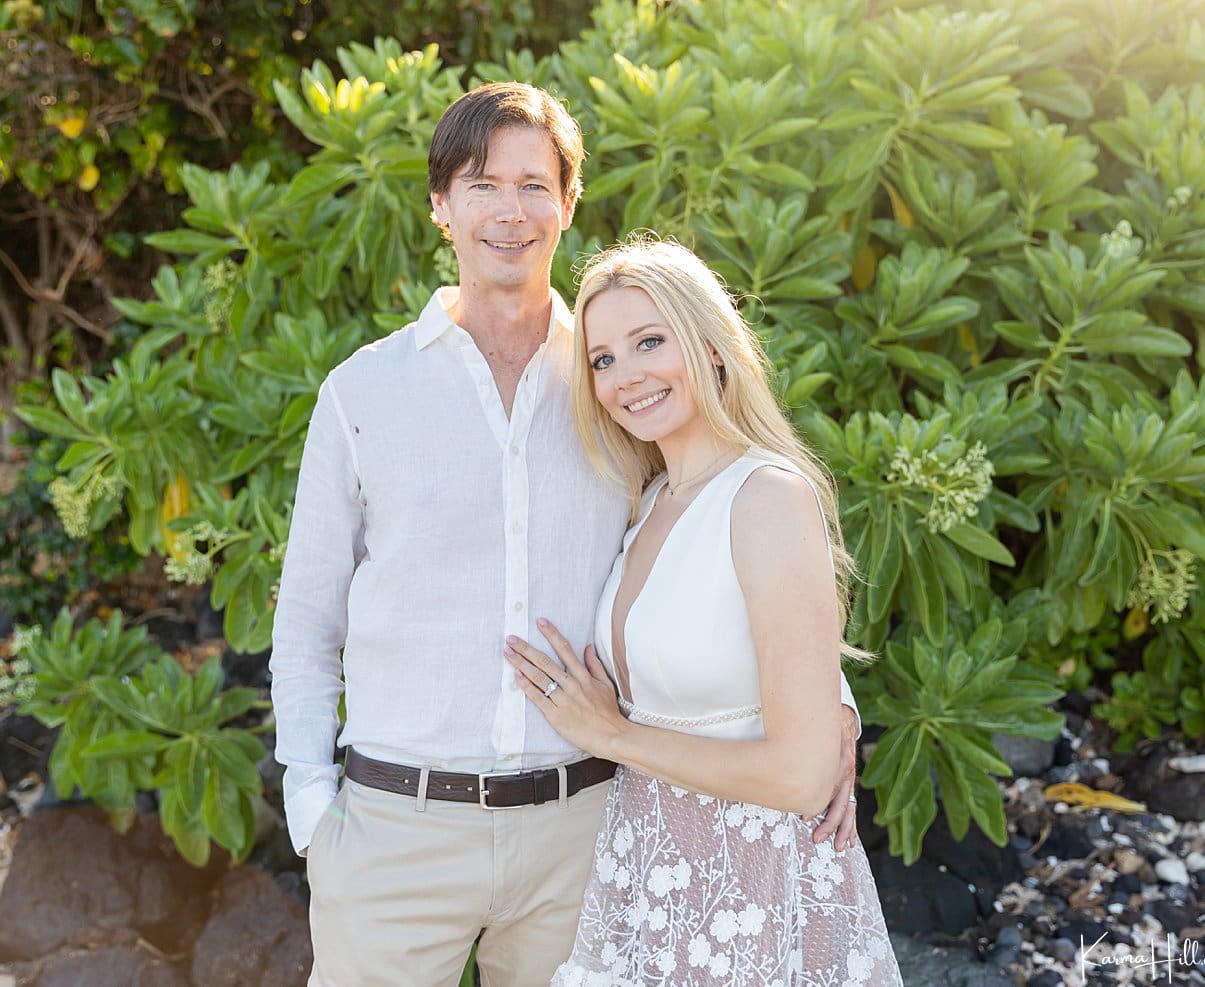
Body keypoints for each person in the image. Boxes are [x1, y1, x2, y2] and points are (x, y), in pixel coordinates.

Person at [269, 82, 864, 987]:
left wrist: (829, 717)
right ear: (440, 206)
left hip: (586, 833)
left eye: (533, 184)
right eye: (481, 184)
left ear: (568, 203)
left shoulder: (614, 381)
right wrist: (311, 806)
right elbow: (308, 615)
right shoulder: (364, 393)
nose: (510, 211)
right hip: (397, 833)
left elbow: (719, 555)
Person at [503, 238, 902, 985]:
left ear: (713, 346)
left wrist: (613, 735)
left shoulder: (767, 496)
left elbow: (801, 776)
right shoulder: (649, 499)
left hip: (759, 882)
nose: (627, 376)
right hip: (653, 874)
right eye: (603, 359)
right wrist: (836, 708)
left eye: (650, 341)